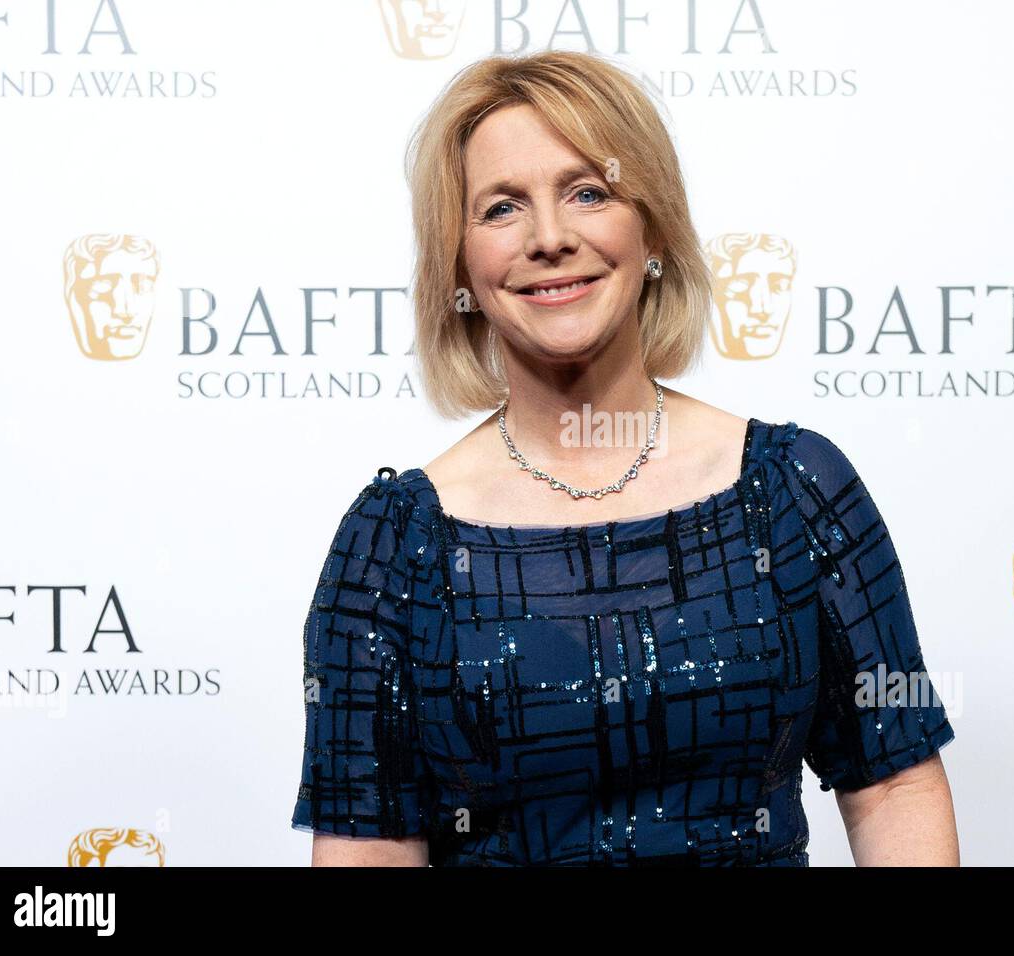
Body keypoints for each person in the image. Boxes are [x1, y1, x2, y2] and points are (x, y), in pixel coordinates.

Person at [290, 49, 957, 866]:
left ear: (653, 229)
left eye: (587, 192)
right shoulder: (397, 546)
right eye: (501, 207)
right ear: (458, 263)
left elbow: (896, 787)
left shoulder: (794, 490)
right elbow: (371, 851)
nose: (549, 238)